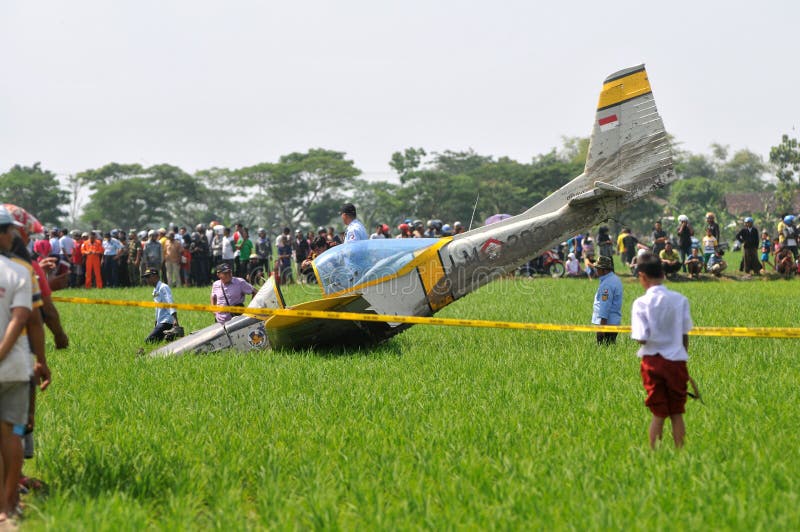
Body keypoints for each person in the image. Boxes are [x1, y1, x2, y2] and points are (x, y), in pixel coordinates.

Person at [630, 251, 693, 449]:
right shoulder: (680, 299)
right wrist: (682, 359)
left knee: (658, 413)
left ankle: (653, 454)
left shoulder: (640, 303)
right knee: (677, 412)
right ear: (664, 274)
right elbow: (684, 335)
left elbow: (641, 338)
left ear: (642, 277)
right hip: (677, 361)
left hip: (652, 362)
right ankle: (680, 453)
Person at [592, 255, 623, 345]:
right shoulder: (614, 279)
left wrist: (602, 327)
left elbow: (605, 306)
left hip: (606, 324)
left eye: (598, 268)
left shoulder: (607, 284)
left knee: (602, 350)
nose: (596, 271)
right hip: (613, 322)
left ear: (604, 270)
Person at [142, 268, 179, 343]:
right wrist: (156, 320)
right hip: (161, 321)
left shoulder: (163, 287)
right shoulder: (155, 290)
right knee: (158, 342)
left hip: (166, 322)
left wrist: (175, 319)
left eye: (148, 277)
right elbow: (158, 307)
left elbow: (170, 302)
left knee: (148, 341)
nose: (147, 279)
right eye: (146, 277)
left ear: (155, 276)